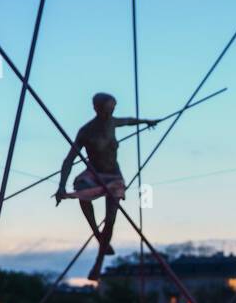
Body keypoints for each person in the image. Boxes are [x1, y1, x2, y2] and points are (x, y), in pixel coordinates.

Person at [54, 92, 158, 282]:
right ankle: (95, 232)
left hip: (114, 176)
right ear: (97, 108)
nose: (112, 112)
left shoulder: (112, 122)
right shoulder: (86, 131)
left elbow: (128, 121)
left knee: (110, 221)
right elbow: (69, 160)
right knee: (81, 192)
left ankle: (99, 263)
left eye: (113, 108)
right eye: (108, 109)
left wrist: (146, 121)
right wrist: (61, 186)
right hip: (94, 174)